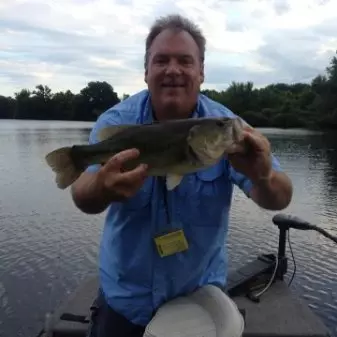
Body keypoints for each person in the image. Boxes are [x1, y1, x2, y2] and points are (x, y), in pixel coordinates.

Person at [71, 13, 293, 337]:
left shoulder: (227, 127)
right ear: (146, 71)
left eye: (185, 61)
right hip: (125, 301)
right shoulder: (116, 123)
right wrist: (101, 189)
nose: (173, 70)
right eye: (161, 60)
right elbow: (82, 195)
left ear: (201, 72)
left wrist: (263, 177)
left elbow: (280, 196)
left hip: (198, 301)